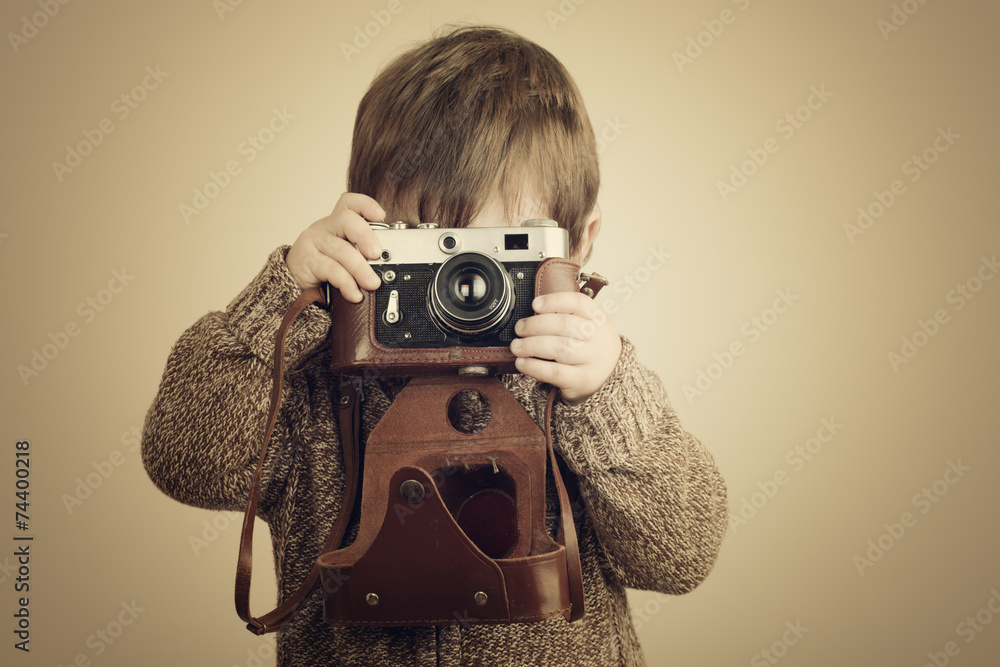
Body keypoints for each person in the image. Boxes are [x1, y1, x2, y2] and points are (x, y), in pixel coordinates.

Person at [142, 25, 728, 666]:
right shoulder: (317, 371)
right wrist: (281, 302)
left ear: (578, 246)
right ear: (362, 227)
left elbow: (682, 554)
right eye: (426, 242)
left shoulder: (579, 380)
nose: (464, 281)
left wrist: (608, 397)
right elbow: (184, 462)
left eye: (503, 249)